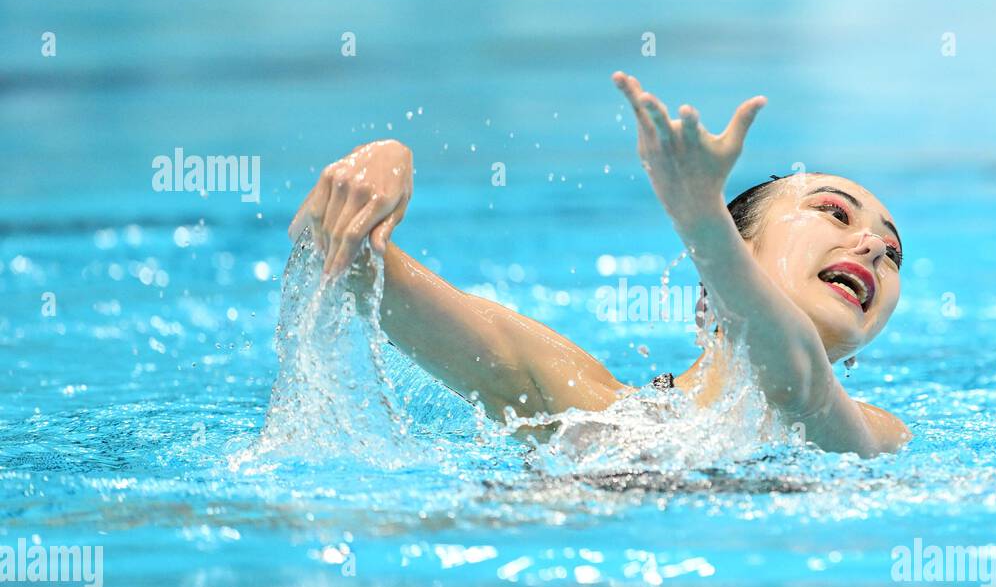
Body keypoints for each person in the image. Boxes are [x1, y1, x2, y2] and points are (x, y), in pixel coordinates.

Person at [287, 71, 910, 457]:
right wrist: (378, 165)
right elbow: (347, 261)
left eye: (894, 252)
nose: (874, 248)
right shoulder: (586, 406)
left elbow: (796, 380)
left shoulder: (877, 433)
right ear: (720, 276)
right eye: (835, 213)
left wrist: (699, 219)